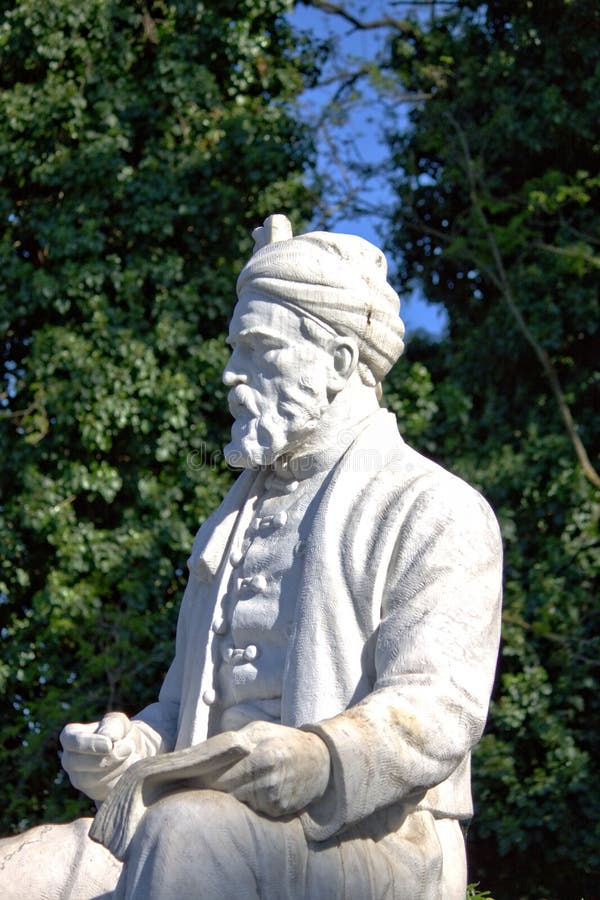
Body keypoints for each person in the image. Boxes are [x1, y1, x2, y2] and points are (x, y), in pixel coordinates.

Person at [0, 215, 502, 899]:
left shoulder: (432, 505)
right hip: (202, 820)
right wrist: (131, 749)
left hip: (372, 840)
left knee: (188, 833)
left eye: (258, 350)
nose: (233, 375)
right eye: (235, 350)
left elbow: (442, 707)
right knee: (26, 868)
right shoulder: (229, 524)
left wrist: (321, 756)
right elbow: (181, 708)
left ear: (340, 361)